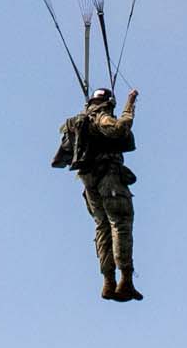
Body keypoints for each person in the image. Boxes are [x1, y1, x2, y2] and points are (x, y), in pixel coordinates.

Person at [51, 86, 141, 301]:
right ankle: (125, 280)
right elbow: (120, 129)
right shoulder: (101, 118)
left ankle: (108, 282)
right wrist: (130, 105)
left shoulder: (75, 124)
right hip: (109, 179)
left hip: (89, 182)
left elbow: (59, 160)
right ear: (108, 102)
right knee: (120, 223)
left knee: (102, 228)